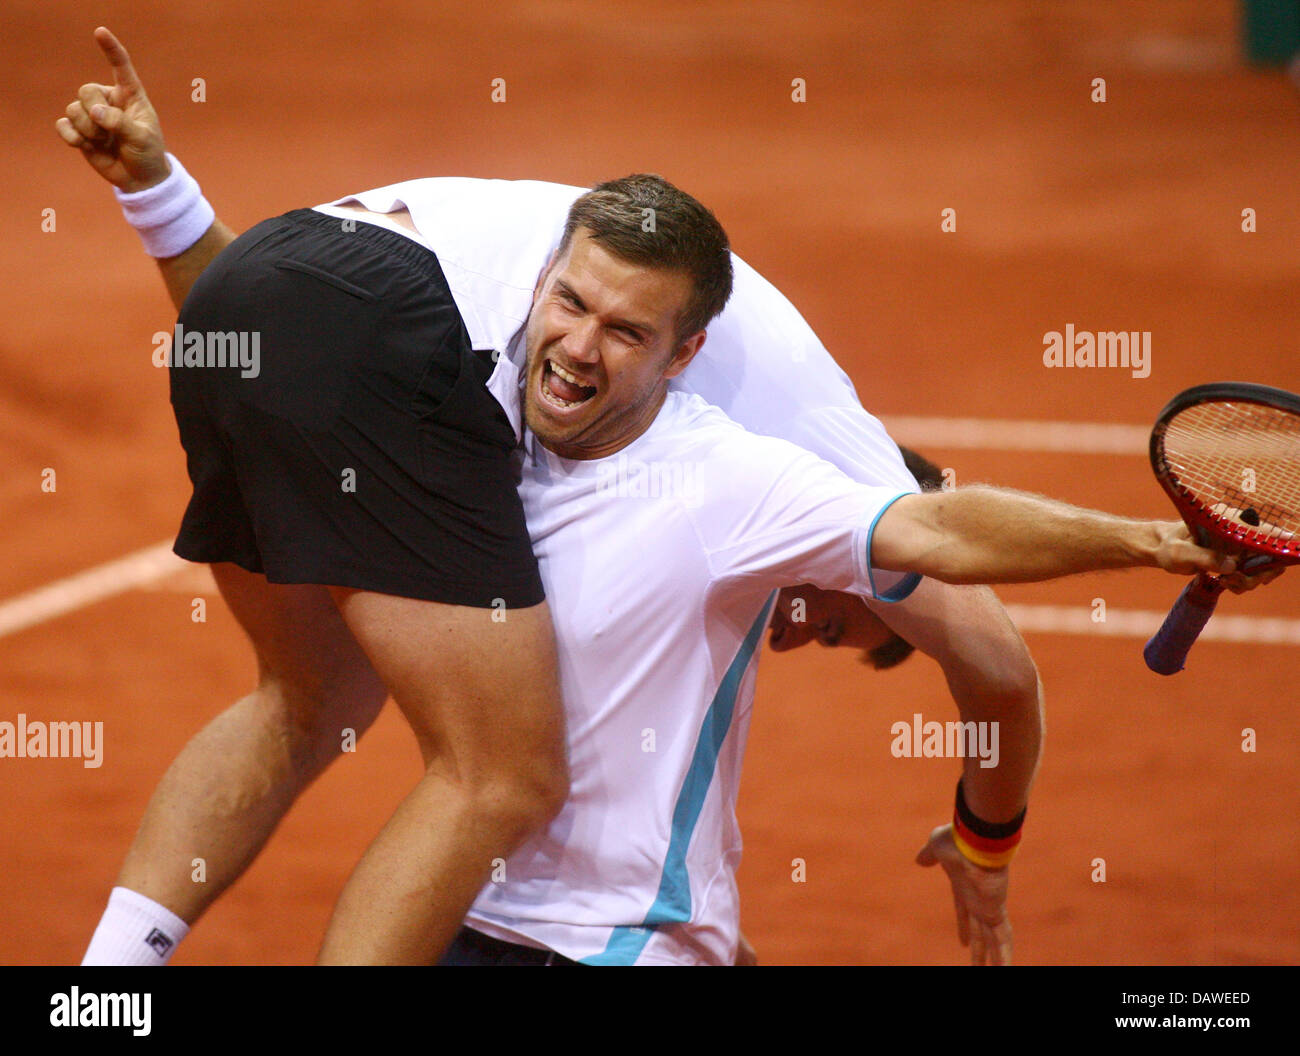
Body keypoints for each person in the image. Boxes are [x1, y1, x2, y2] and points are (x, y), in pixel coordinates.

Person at [58, 29, 1279, 966]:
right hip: (350, 332)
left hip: (249, 274)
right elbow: (988, 642)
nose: (800, 631)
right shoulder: (793, 456)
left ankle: (107, 984)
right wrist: (992, 825)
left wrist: (161, 199)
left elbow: (290, 333)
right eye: (843, 625)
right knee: (497, 773)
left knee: (306, 697)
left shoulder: (541, 426)